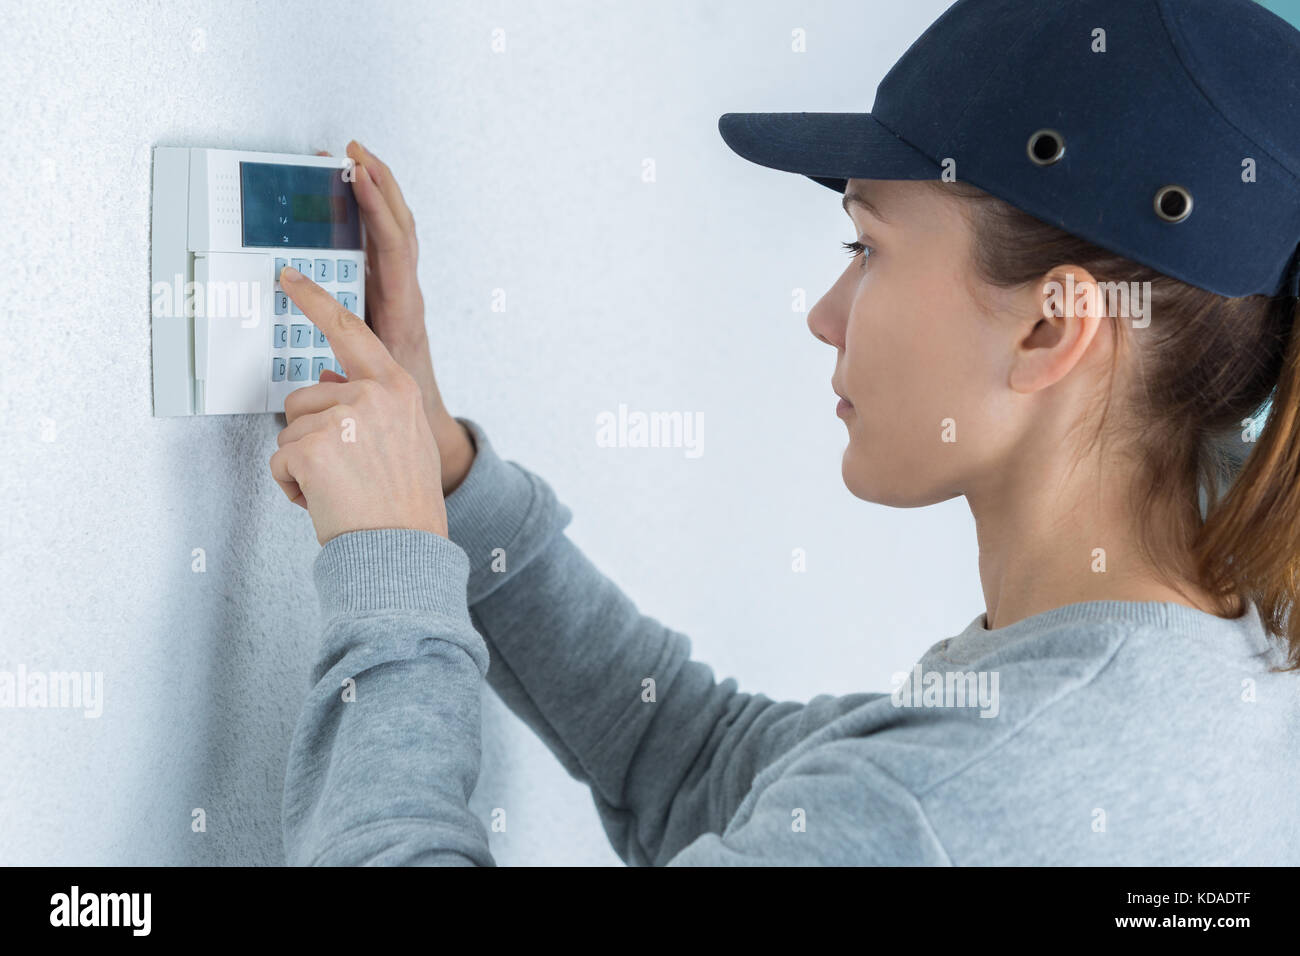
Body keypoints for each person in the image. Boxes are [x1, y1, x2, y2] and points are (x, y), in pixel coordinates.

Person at [273, 0, 1300, 865]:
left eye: (867, 242)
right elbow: (690, 761)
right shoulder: (1223, 675)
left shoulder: (943, 802)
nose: (824, 311)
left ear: (1050, 325)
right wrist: (445, 480)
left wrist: (390, 569)